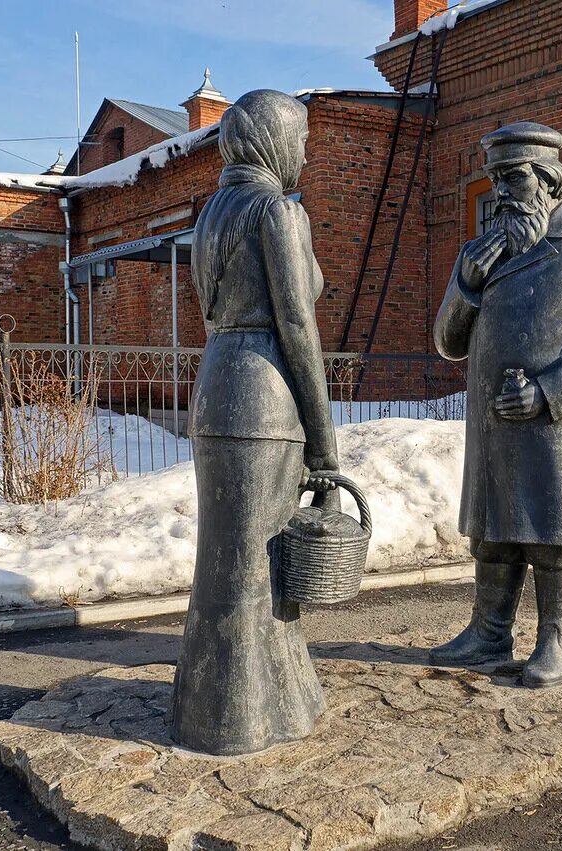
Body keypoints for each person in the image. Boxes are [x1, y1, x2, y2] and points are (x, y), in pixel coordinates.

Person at [431, 122, 562, 688]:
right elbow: (448, 343)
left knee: (556, 533)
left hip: (557, 423)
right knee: (494, 530)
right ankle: (488, 631)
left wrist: (547, 393)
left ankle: (557, 640)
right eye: (494, 177)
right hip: (495, 421)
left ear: (548, 181)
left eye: (512, 177)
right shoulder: (482, 253)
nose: (498, 191)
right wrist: (466, 284)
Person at [172, 89, 340, 755]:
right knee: (255, 566)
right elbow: (299, 323)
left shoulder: (213, 211)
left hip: (217, 385)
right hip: (265, 395)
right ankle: (240, 721)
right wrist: (325, 444)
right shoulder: (276, 208)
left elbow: (295, 285)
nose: (304, 153)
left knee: (227, 560)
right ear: (273, 140)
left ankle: (224, 708)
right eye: (298, 140)